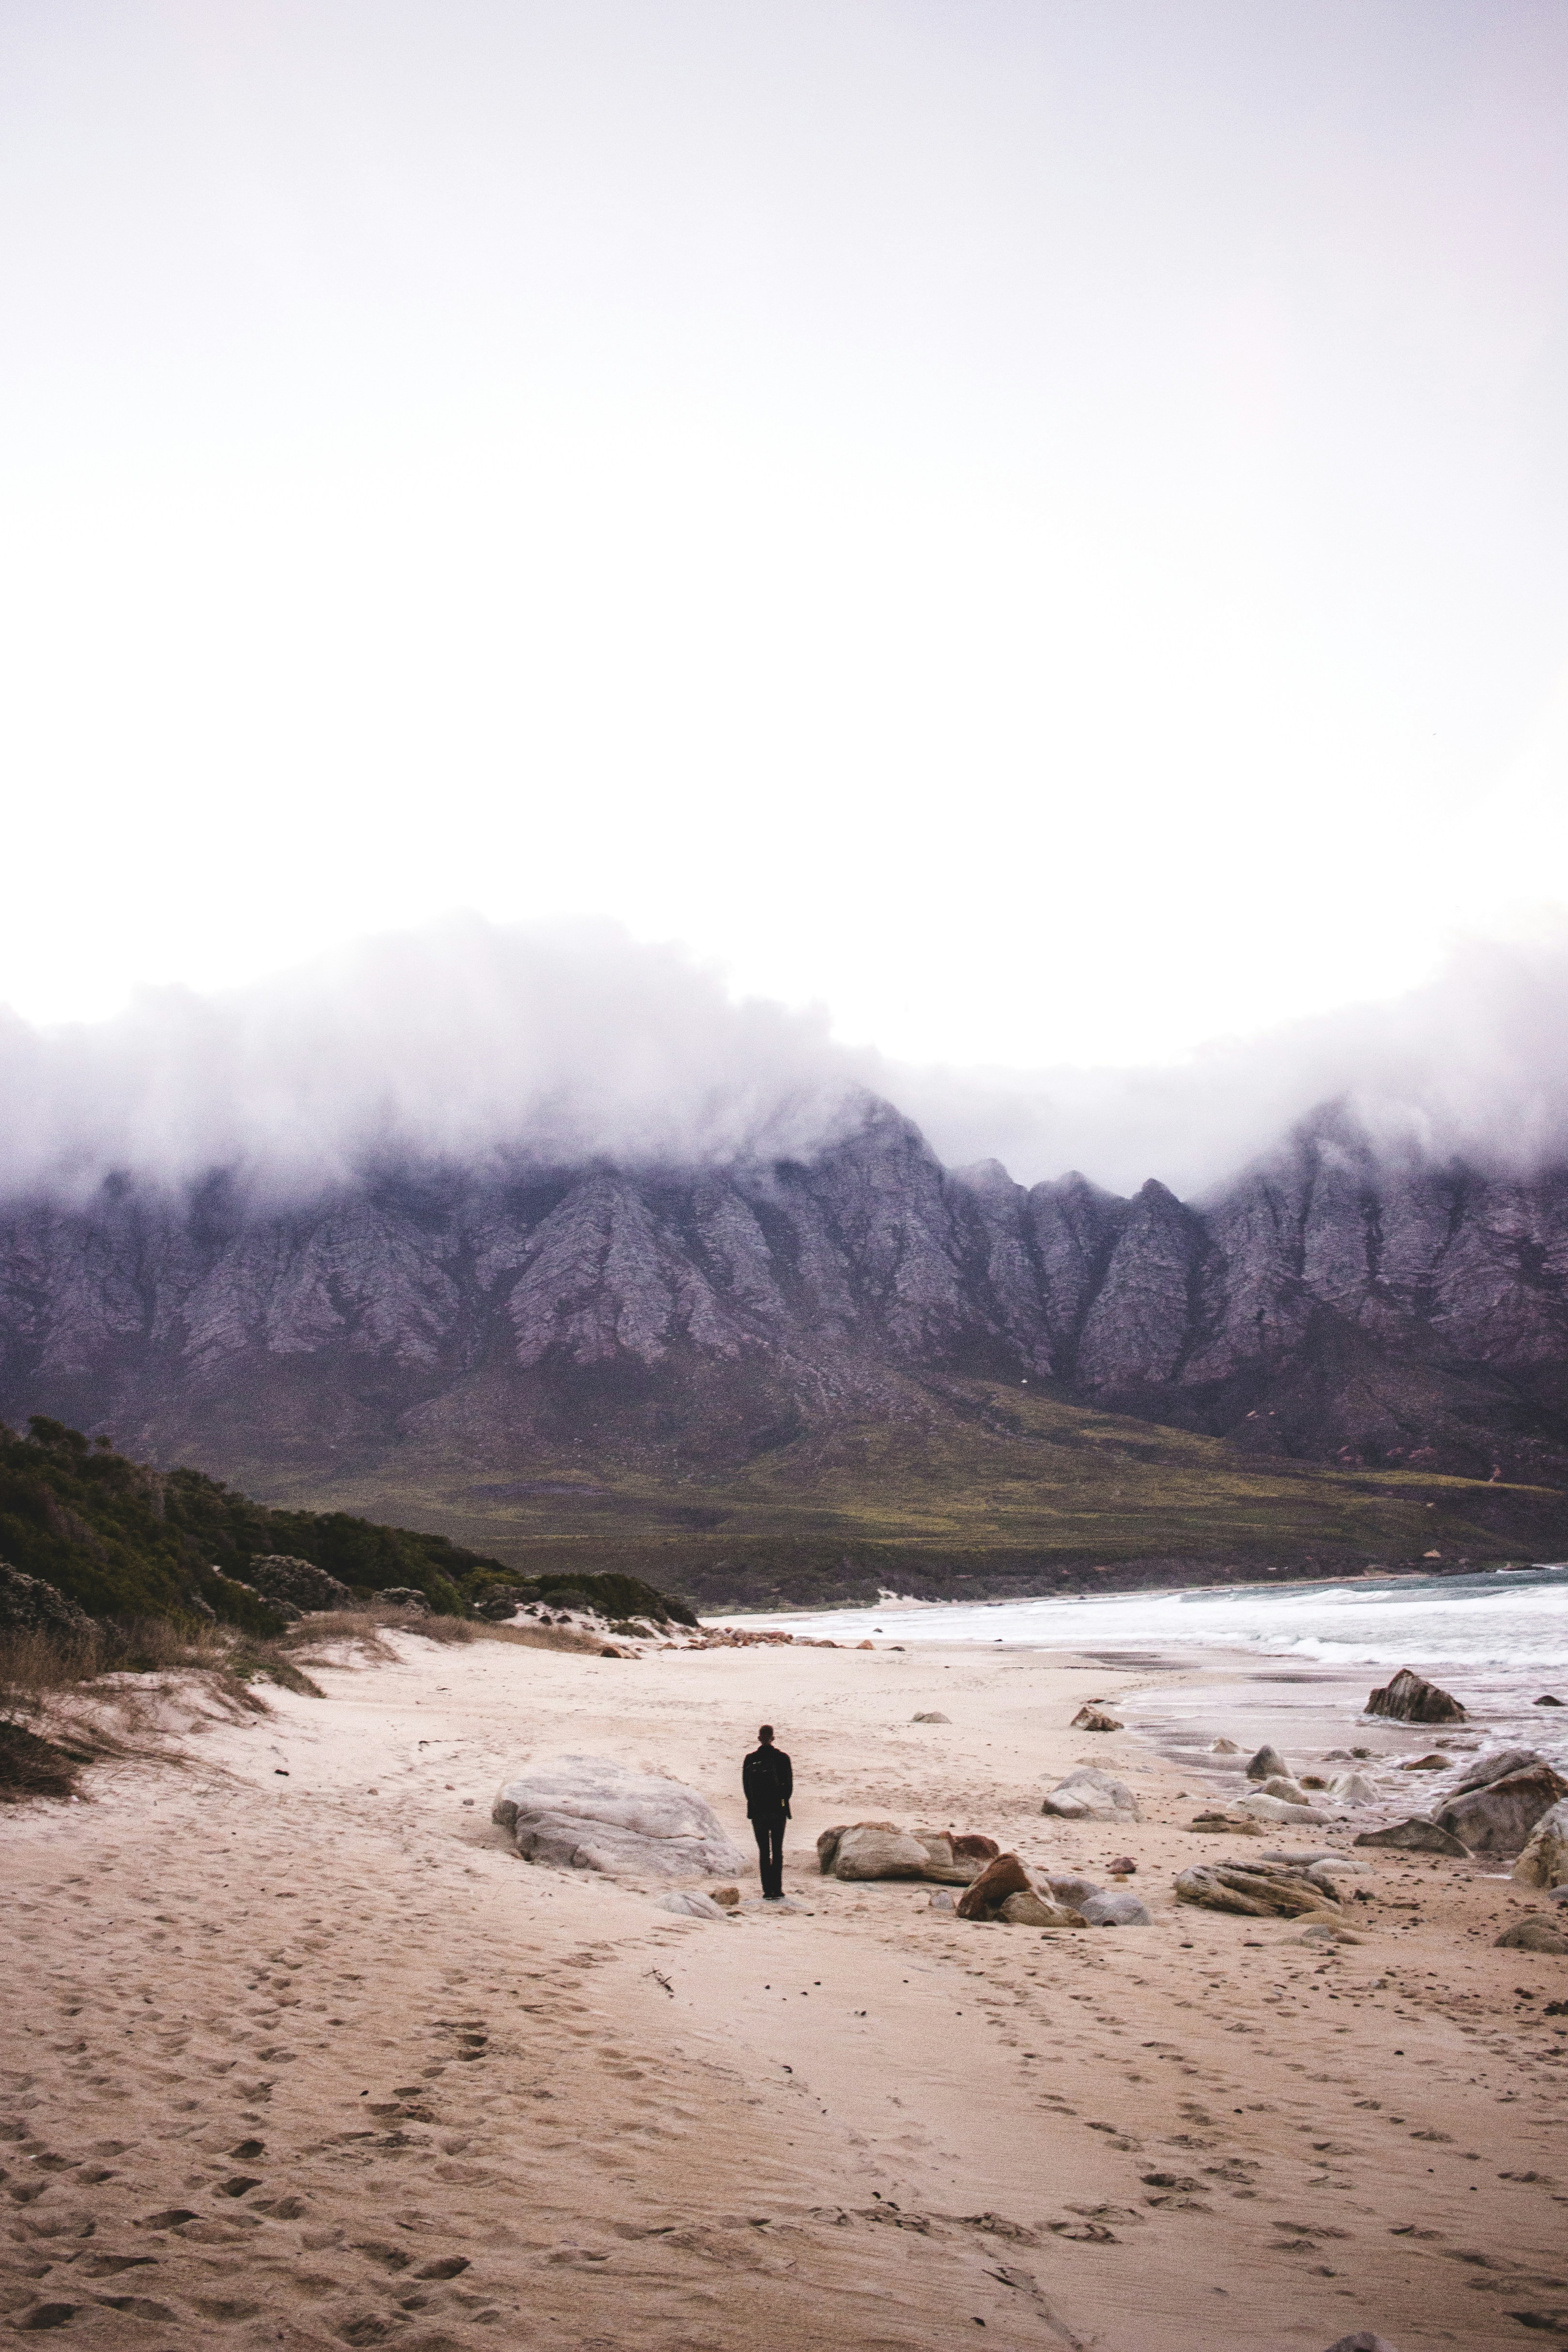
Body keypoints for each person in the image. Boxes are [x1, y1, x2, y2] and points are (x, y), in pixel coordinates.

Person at [742, 1723, 792, 1901]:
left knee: (764, 1852)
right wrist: (781, 1803)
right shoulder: (783, 1758)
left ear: (759, 1739)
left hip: (758, 1813)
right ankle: (777, 1890)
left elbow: (747, 1789)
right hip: (778, 1812)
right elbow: (789, 1789)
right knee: (777, 1851)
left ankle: (767, 1891)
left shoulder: (750, 1759)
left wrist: (756, 1805)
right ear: (773, 1738)